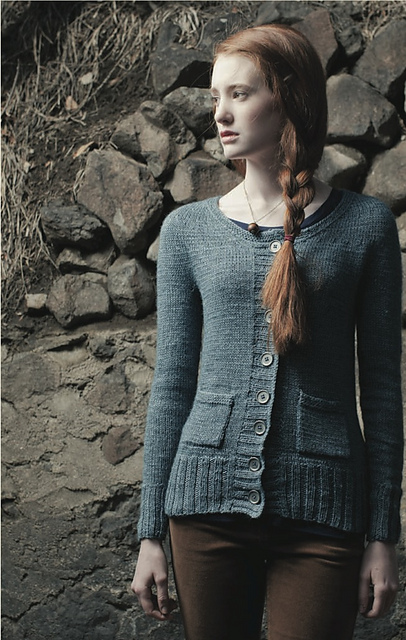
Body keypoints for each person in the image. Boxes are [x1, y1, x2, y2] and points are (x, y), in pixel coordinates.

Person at [131, 23, 403, 640]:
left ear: (289, 99)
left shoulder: (366, 227)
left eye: (240, 94)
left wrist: (383, 535)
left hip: (324, 513)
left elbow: (383, 390)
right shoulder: (187, 232)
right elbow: (172, 385)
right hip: (204, 509)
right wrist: (150, 533)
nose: (220, 114)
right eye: (215, 97)